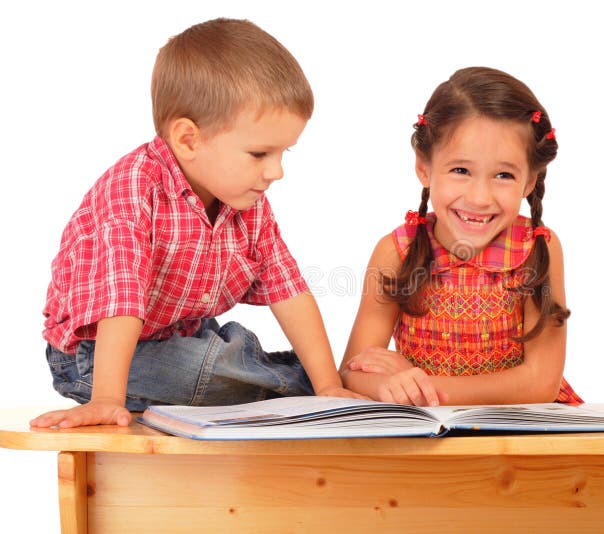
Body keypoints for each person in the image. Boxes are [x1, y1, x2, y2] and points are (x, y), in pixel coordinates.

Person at [31, 18, 361, 430]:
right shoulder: (134, 189)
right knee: (206, 365)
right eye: (259, 153)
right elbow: (122, 300)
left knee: (217, 356)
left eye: (284, 153)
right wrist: (107, 400)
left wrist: (328, 383)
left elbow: (288, 289)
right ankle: (292, 381)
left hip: (179, 338)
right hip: (95, 359)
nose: (276, 172)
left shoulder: (246, 200)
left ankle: (310, 382)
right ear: (189, 139)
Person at [341, 67, 582, 407]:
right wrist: (385, 387)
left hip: (524, 433)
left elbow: (539, 384)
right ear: (424, 167)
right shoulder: (397, 251)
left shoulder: (537, 248)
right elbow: (353, 370)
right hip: (430, 434)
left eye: (503, 175)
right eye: (461, 170)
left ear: (530, 181)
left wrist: (418, 386)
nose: (480, 197)